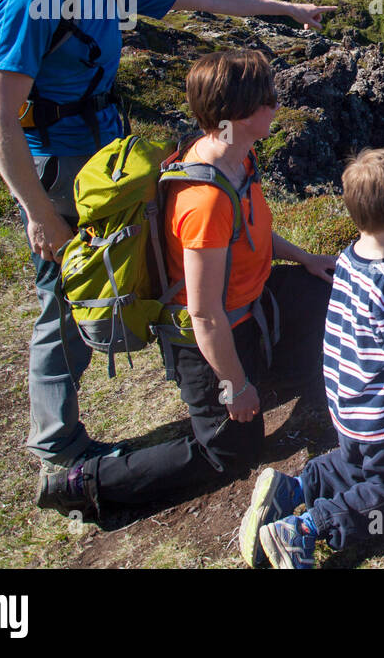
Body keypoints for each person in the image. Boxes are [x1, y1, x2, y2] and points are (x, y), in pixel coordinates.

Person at [0, 0, 337, 503]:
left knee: (145, 269)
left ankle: (196, 359)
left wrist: (285, 9)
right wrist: (39, 214)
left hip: (113, 161)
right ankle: (58, 452)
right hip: (60, 173)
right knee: (69, 299)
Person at [35, 49, 338, 514]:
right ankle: (84, 483)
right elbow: (203, 313)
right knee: (230, 454)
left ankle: (266, 369)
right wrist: (235, 385)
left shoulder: (237, 154)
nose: (277, 104)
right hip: (205, 337)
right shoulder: (204, 201)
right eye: (267, 98)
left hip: (254, 303)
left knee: (329, 297)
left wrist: (306, 258)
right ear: (236, 115)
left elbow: (250, 229)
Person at [238, 148, 384, 569]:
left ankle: (292, 490)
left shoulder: (349, 260)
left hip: (349, 410)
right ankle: (305, 528)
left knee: (354, 463)